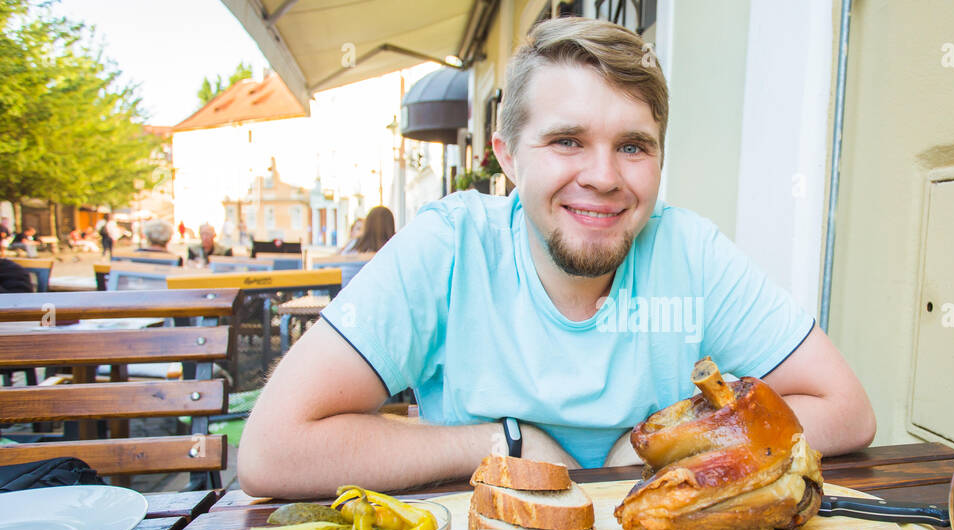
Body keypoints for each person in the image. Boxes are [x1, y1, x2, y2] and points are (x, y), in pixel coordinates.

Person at [238, 18, 875, 498]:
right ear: (508, 155)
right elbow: (272, 450)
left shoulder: (690, 250)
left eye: (633, 146)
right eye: (567, 140)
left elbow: (846, 411)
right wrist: (505, 444)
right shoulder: (450, 245)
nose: (603, 176)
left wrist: (667, 448)